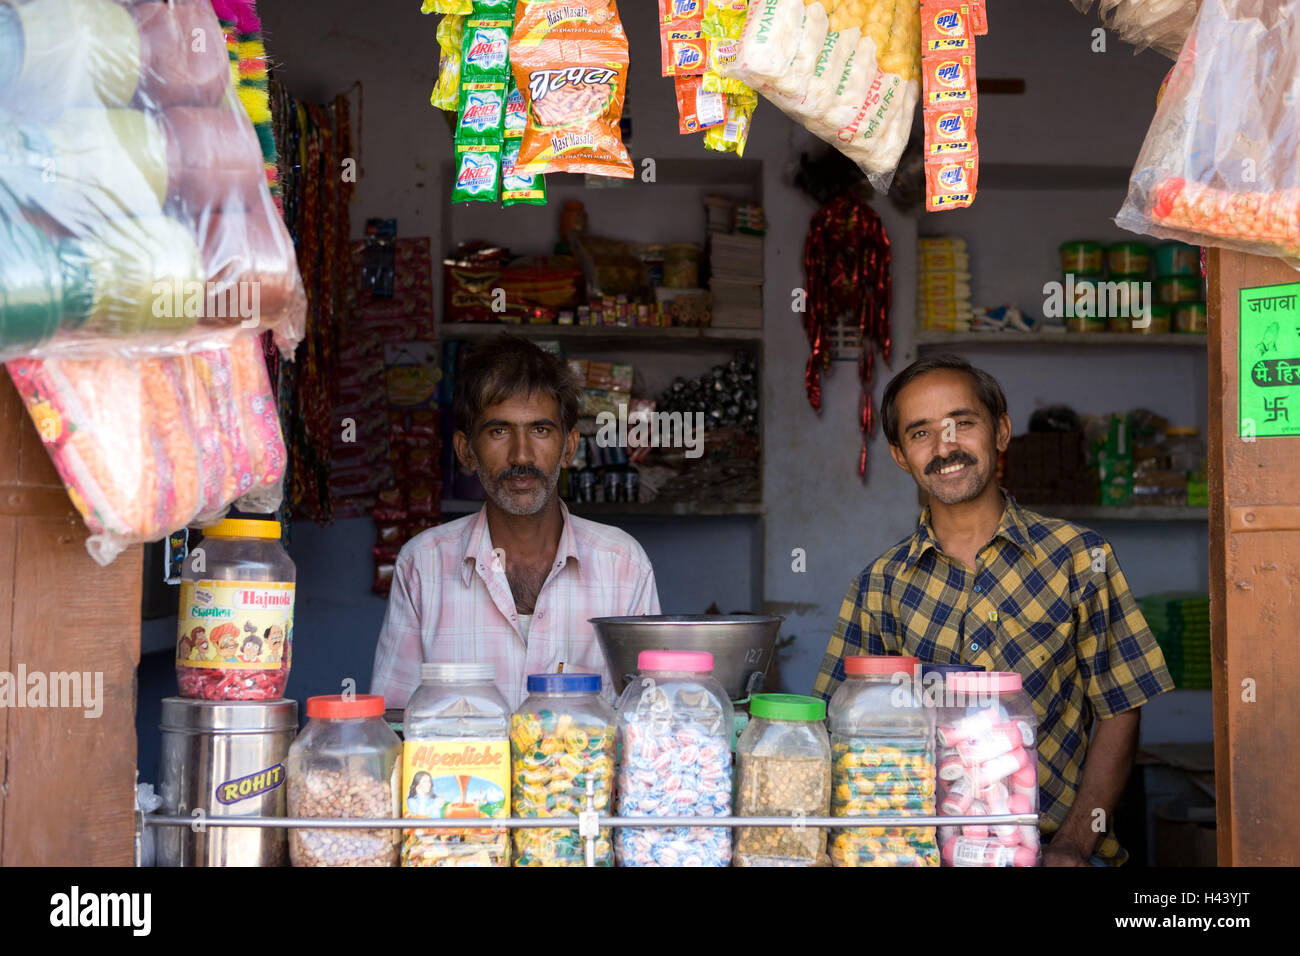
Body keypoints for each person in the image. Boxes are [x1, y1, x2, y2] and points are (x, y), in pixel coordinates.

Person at [813, 354, 1174, 867]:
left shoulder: (1079, 559)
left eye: (963, 423)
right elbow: (840, 728)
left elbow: (1121, 706)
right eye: (921, 434)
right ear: (899, 455)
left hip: (1051, 851)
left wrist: (1075, 841)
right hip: (914, 855)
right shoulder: (879, 586)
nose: (946, 446)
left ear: (1001, 432)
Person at [371, 334, 661, 711]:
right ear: (466, 451)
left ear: (569, 447)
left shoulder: (624, 564)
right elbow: (394, 723)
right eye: (499, 431)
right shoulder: (422, 565)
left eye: (540, 430)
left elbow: (649, 722)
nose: (521, 454)